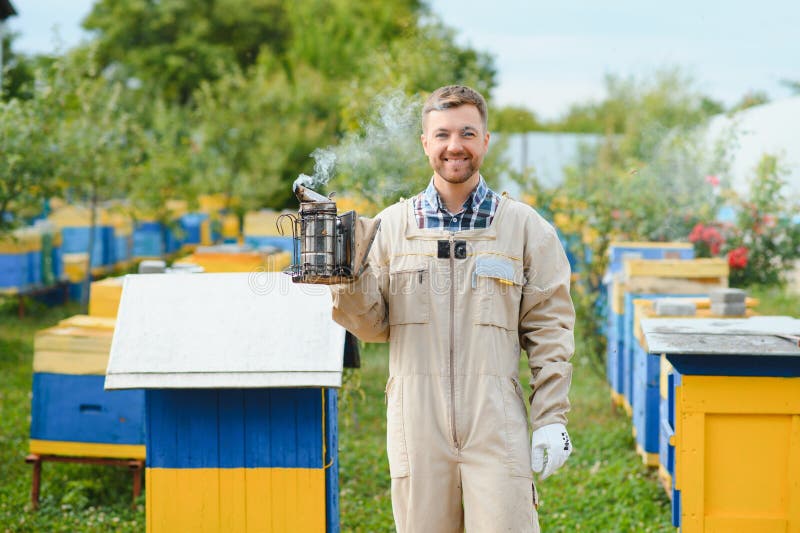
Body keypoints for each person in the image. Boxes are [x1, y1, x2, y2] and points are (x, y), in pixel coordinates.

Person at [331, 85, 575, 532]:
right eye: (442, 134)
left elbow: (550, 329)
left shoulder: (525, 228)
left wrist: (550, 417)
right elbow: (371, 327)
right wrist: (348, 279)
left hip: (495, 425)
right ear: (425, 142)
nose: (454, 145)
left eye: (467, 133)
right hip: (416, 424)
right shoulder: (390, 228)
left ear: (486, 140)